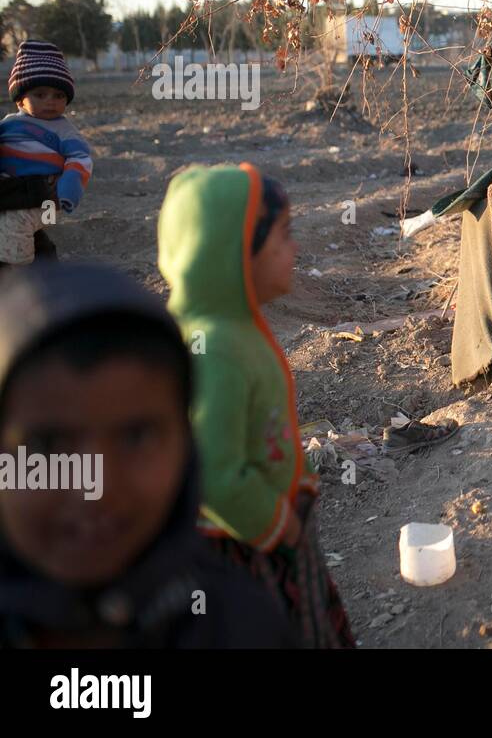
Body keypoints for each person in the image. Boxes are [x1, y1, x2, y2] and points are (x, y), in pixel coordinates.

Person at [0, 262, 296, 647]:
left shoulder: (237, 625)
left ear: (186, 448)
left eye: (135, 437)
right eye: (47, 445)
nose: (98, 488)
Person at [157, 162, 355, 647]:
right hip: (243, 548)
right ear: (235, 255)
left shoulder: (239, 326)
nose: (296, 249)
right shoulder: (214, 348)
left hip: (270, 533)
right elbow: (212, 471)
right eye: (285, 236)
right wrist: (277, 523)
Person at [0, 40, 93, 266]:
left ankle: (18, 273)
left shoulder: (63, 130)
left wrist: (68, 189)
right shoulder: (9, 125)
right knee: (17, 227)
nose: (50, 101)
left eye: (58, 96)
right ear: (20, 99)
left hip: (48, 199)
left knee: (17, 222)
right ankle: (43, 263)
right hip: (12, 190)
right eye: (40, 95)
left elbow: (80, 158)